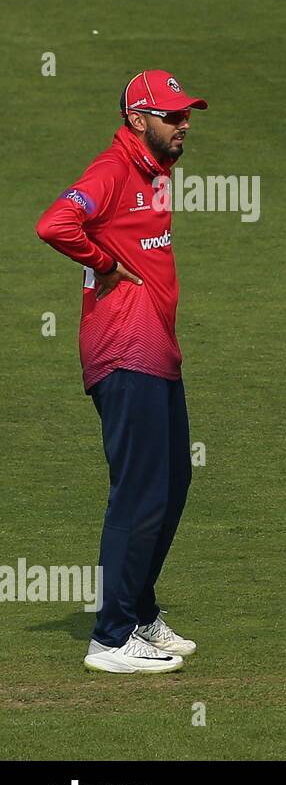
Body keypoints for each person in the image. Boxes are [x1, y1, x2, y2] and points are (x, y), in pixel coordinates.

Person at [36, 71, 208, 673]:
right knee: (139, 492)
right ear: (139, 120)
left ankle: (136, 612)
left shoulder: (155, 173)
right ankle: (110, 639)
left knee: (172, 486)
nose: (184, 123)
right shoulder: (112, 170)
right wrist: (105, 262)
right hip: (122, 347)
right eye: (172, 116)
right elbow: (54, 223)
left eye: (186, 114)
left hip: (156, 348)